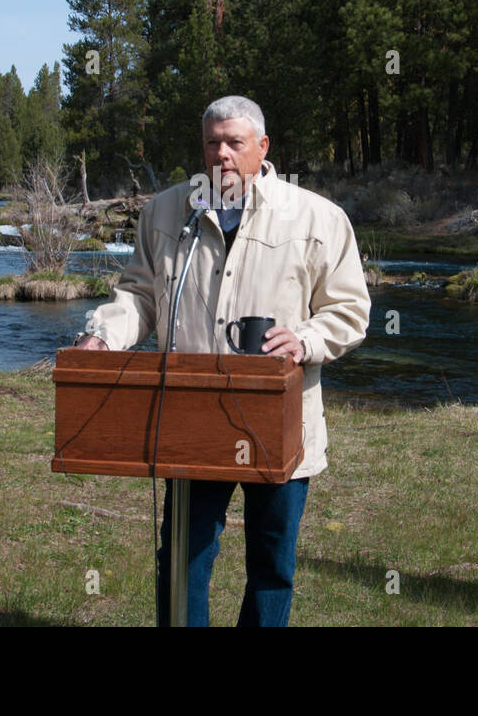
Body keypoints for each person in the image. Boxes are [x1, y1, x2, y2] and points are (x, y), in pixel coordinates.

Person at [75, 95, 371, 626]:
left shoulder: (318, 217)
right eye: (212, 143)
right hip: (190, 420)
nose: (222, 155)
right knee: (182, 559)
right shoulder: (165, 211)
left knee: (272, 561)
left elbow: (349, 311)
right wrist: (104, 336)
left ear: (263, 147)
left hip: (281, 423)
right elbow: (140, 298)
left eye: (235, 143)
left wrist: (304, 339)